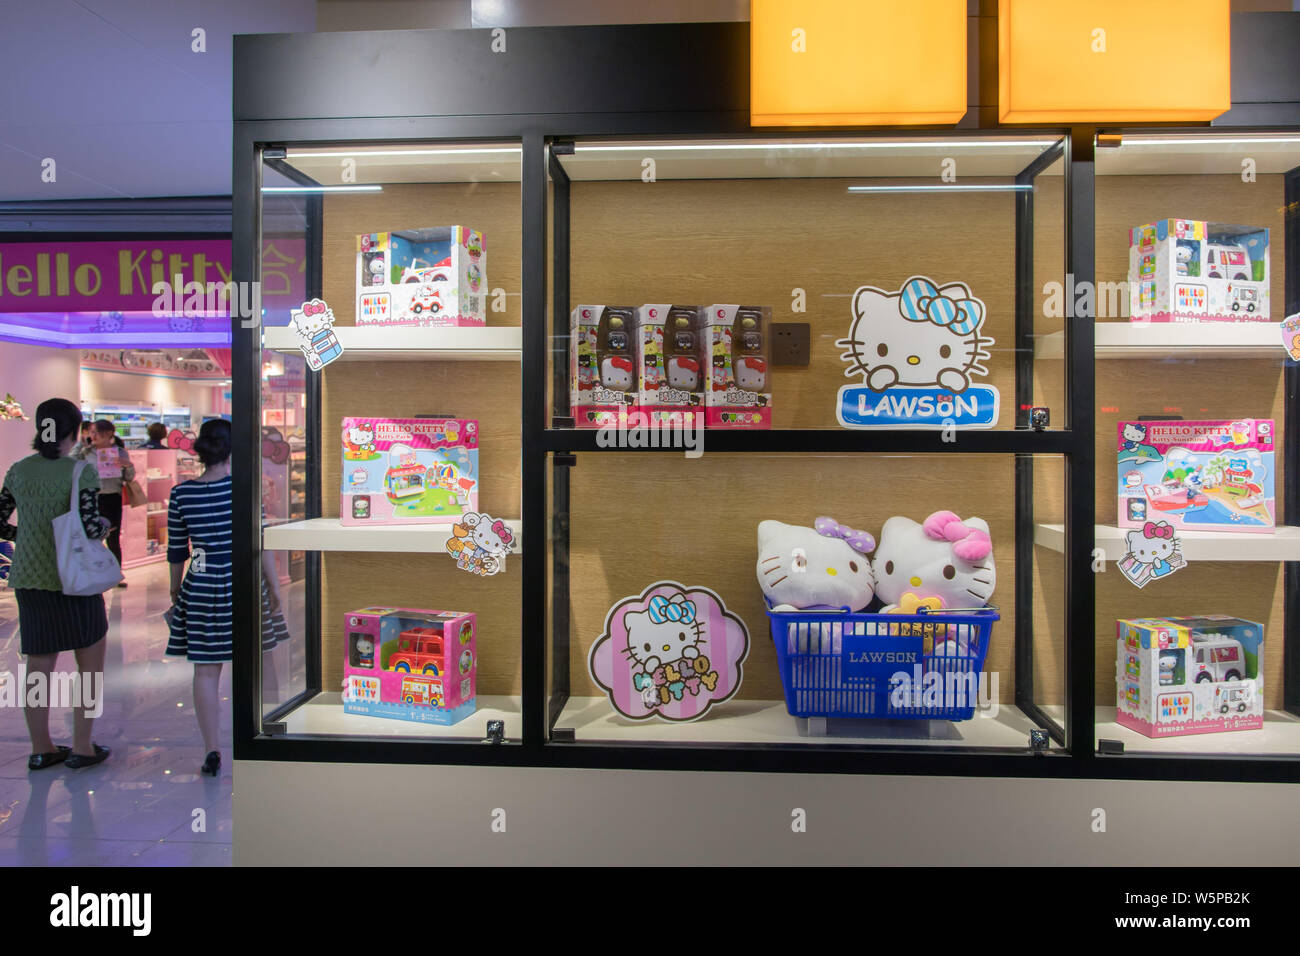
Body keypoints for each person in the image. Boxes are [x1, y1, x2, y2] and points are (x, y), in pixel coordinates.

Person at [0, 398, 113, 770]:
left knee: (38, 664)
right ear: (75, 430)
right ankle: (82, 746)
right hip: (75, 579)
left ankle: (41, 747)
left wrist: (27, 535)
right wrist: (107, 528)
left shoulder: (18, 471)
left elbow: (0, 522)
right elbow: (90, 525)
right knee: (89, 664)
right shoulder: (81, 472)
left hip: (30, 578)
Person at [74, 419, 133, 584]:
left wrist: (127, 466)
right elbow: (70, 463)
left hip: (113, 496)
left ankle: (116, 574)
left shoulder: (120, 452)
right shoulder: (86, 453)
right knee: (91, 536)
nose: (92, 435)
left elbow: (129, 478)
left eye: (95, 432)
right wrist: (82, 445)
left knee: (113, 537)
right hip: (92, 497)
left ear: (107, 434)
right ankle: (90, 572)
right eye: (90, 432)